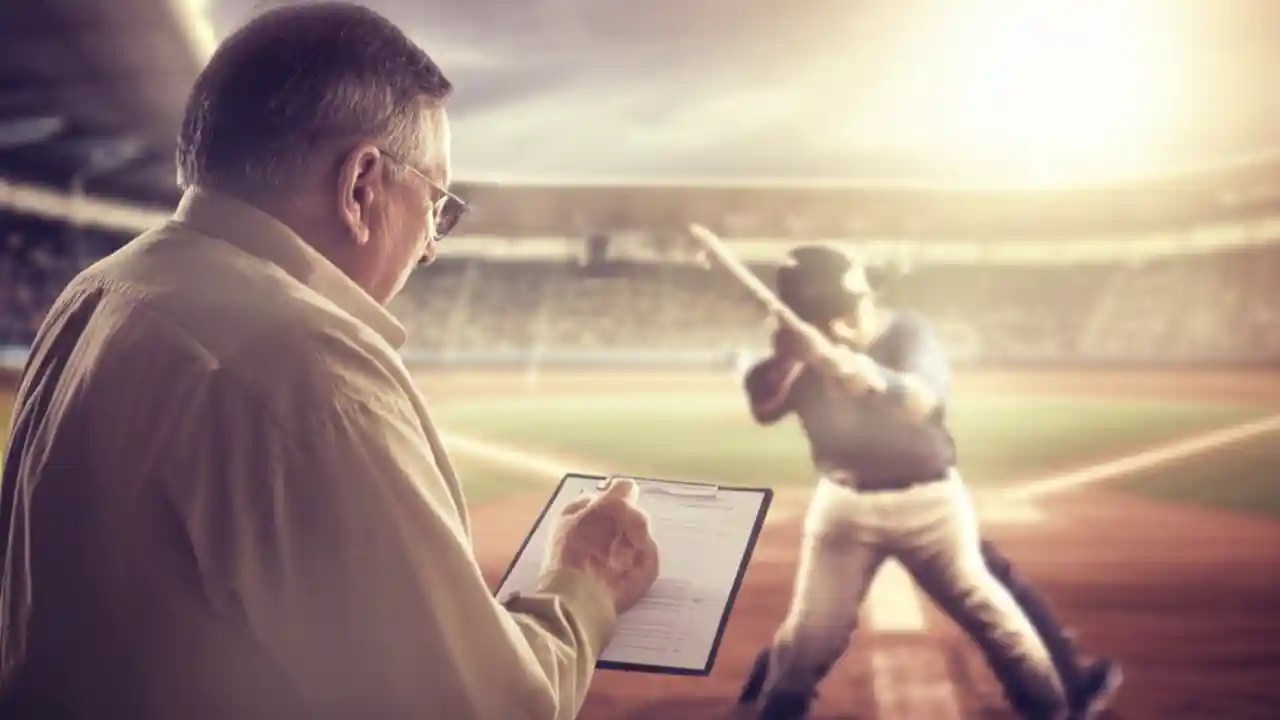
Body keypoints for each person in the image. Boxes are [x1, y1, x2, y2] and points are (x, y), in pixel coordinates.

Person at [0, 4, 659, 718]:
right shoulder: (303, 369)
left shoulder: (99, 288)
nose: (433, 244)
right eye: (438, 203)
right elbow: (480, 708)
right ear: (360, 186)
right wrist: (581, 584)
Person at [733, 246, 1119, 720]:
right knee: (812, 633)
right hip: (844, 507)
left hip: (929, 503)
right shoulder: (795, 354)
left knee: (997, 614)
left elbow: (922, 400)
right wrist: (793, 358)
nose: (862, 312)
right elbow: (763, 406)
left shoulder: (907, 332)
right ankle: (767, 698)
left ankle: (1060, 700)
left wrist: (852, 368)